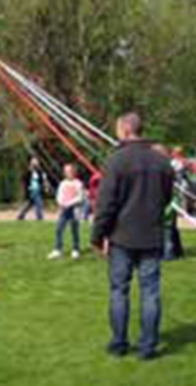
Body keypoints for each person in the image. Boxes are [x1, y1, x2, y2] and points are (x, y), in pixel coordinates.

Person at [91, 113, 174, 360]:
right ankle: (147, 346)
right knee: (150, 291)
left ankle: (119, 343)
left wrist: (97, 236)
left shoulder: (116, 161)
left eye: (118, 128)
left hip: (122, 237)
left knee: (120, 290)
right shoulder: (161, 162)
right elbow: (167, 198)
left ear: (126, 130)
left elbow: (106, 203)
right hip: (151, 234)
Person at [48, 163, 85, 260]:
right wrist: (60, 202)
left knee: (74, 230)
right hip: (64, 210)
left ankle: (75, 249)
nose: (68, 173)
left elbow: (80, 197)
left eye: (70, 171)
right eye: (66, 171)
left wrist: (69, 203)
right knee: (58, 229)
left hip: (74, 210)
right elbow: (59, 195)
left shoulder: (78, 183)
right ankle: (57, 249)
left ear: (74, 172)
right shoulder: (62, 183)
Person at [17, 157, 48, 221]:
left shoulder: (40, 172)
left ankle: (22, 216)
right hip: (30, 191)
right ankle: (39, 218)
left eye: (36, 162)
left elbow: (44, 180)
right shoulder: (28, 172)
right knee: (32, 204)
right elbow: (23, 179)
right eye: (33, 162)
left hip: (37, 191)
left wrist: (45, 187)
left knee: (34, 204)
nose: (35, 164)